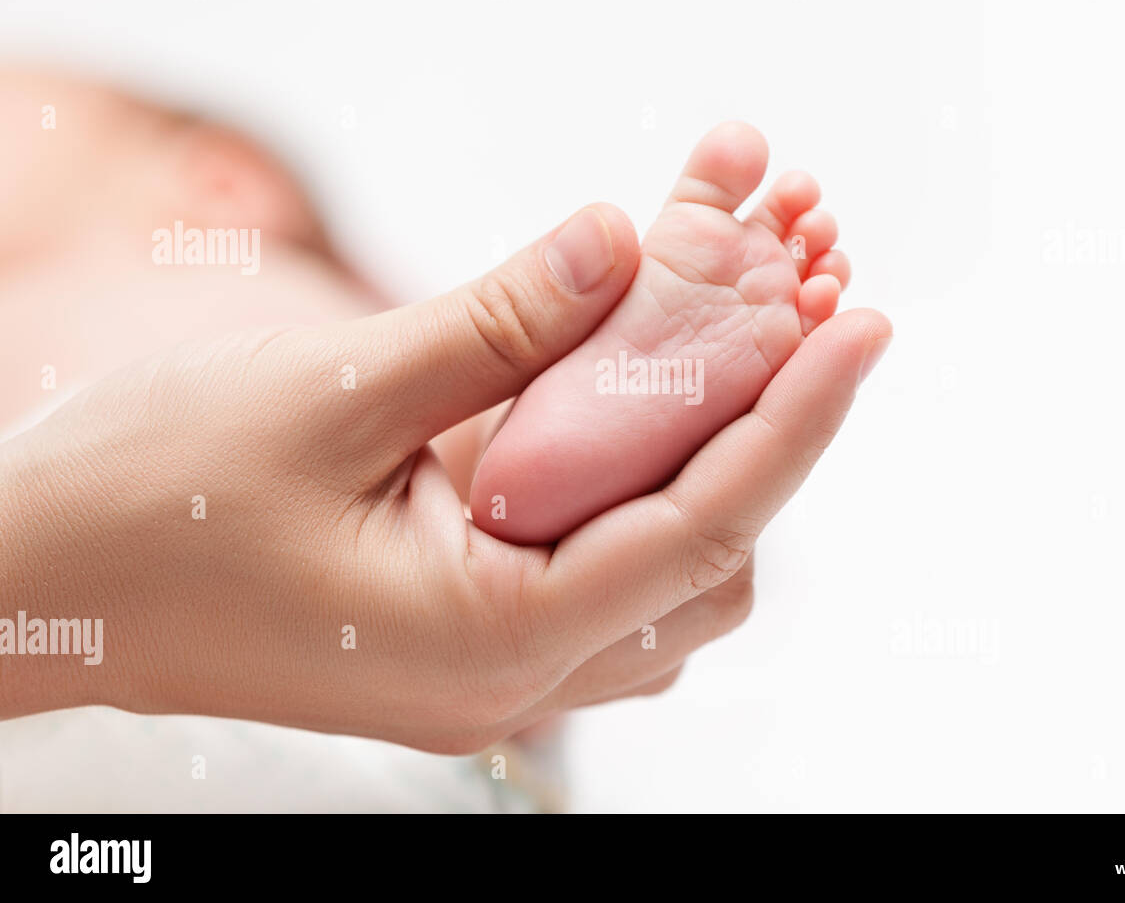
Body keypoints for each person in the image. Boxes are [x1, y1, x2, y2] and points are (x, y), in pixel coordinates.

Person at [0, 70, 890, 808]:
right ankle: (539, 479)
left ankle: (533, 467)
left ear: (222, 185)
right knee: (446, 501)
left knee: (413, 466)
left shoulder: (172, 265)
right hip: (401, 757)